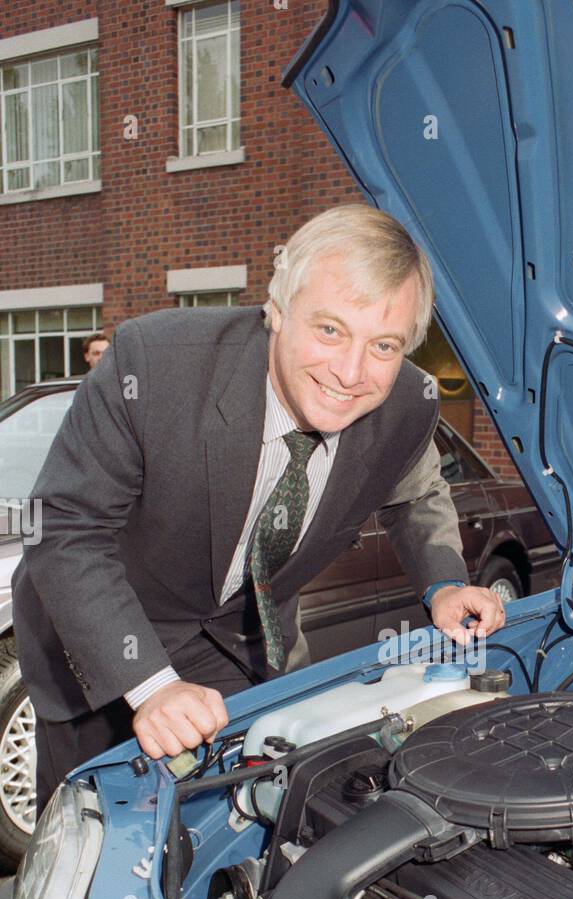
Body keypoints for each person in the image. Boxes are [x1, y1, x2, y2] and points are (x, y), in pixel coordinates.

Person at [12, 207, 506, 813]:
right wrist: (154, 686)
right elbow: (65, 529)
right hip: (102, 641)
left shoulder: (407, 402)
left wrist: (445, 583)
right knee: (95, 847)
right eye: (329, 330)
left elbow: (416, 492)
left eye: (383, 345)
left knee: (241, 833)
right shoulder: (154, 363)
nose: (350, 373)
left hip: (236, 647)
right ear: (276, 309)